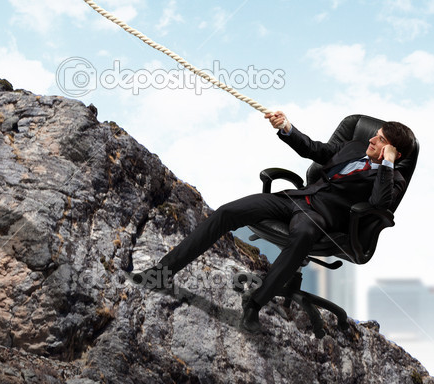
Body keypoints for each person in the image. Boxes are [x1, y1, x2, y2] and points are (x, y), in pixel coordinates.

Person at [134, 110, 415, 333]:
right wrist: (287, 128)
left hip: (320, 217)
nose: (371, 140)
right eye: (374, 136)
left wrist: (387, 165)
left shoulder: (393, 179)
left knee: (301, 239)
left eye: (379, 140)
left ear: (393, 153)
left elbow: (379, 205)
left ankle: (254, 305)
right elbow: (317, 150)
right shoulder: (354, 146)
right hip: (296, 198)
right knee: (227, 212)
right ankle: (163, 272)